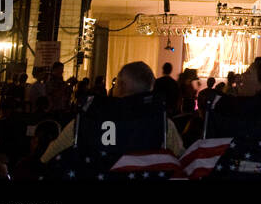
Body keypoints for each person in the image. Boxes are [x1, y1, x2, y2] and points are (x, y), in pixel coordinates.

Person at [41, 61, 185, 164]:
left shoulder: (87, 120)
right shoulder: (164, 125)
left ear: (121, 86)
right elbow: (181, 159)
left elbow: (47, 157)